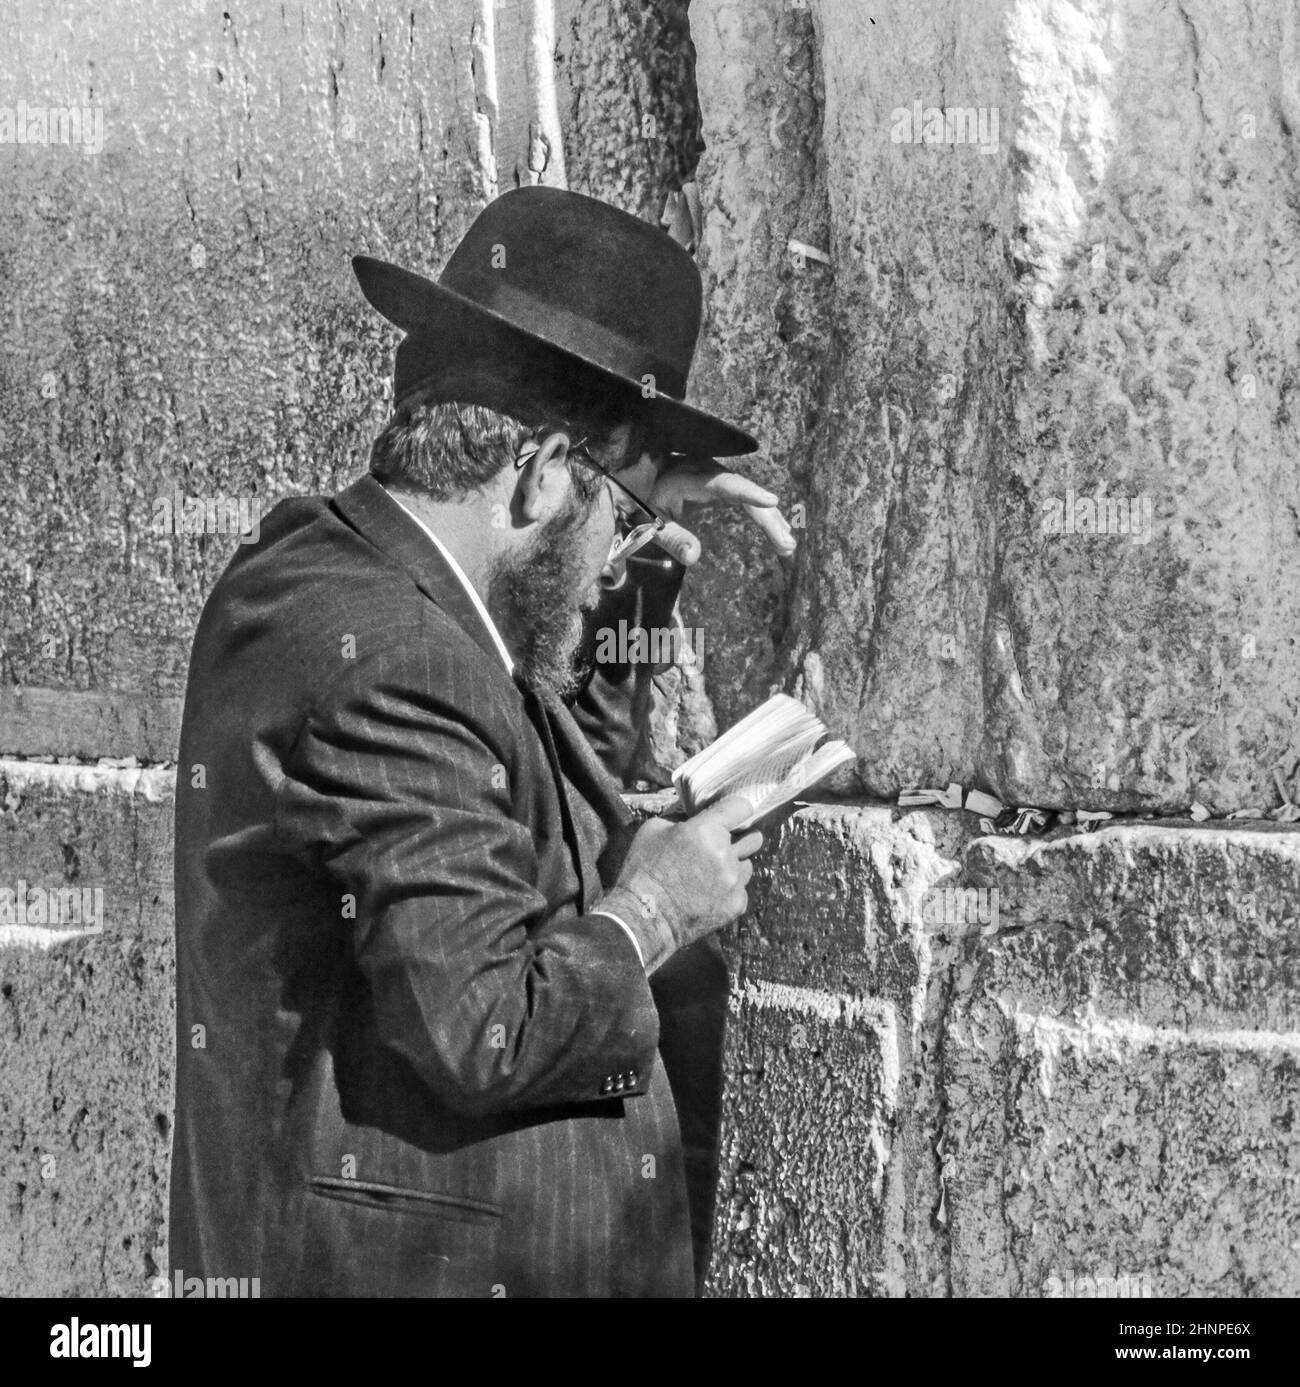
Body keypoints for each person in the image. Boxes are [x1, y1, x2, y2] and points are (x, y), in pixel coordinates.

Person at [169, 186, 794, 1297]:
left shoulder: (334, 578)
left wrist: (643, 560)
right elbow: (485, 1025)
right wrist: (658, 908)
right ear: (544, 468)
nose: (622, 542)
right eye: (621, 511)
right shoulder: (397, 659)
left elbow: (550, 789)